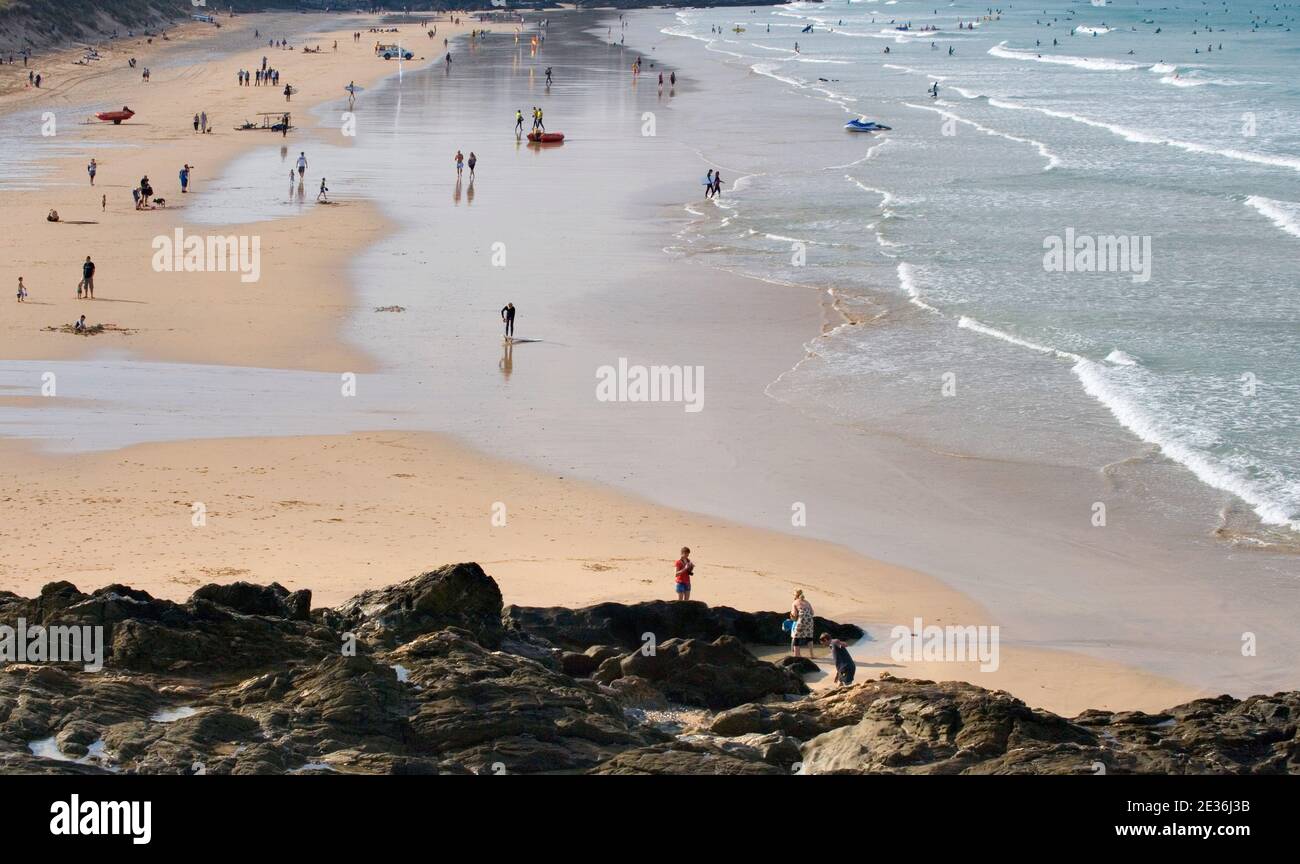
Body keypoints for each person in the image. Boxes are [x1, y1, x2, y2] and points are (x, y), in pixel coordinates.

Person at [790, 590, 815, 658]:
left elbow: (794, 614)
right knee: (809, 637)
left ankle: (797, 655)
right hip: (810, 621)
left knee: (796, 637)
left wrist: (792, 616)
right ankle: (812, 655)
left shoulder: (794, 602)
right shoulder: (807, 602)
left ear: (795, 595)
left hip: (801, 620)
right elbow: (812, 613)